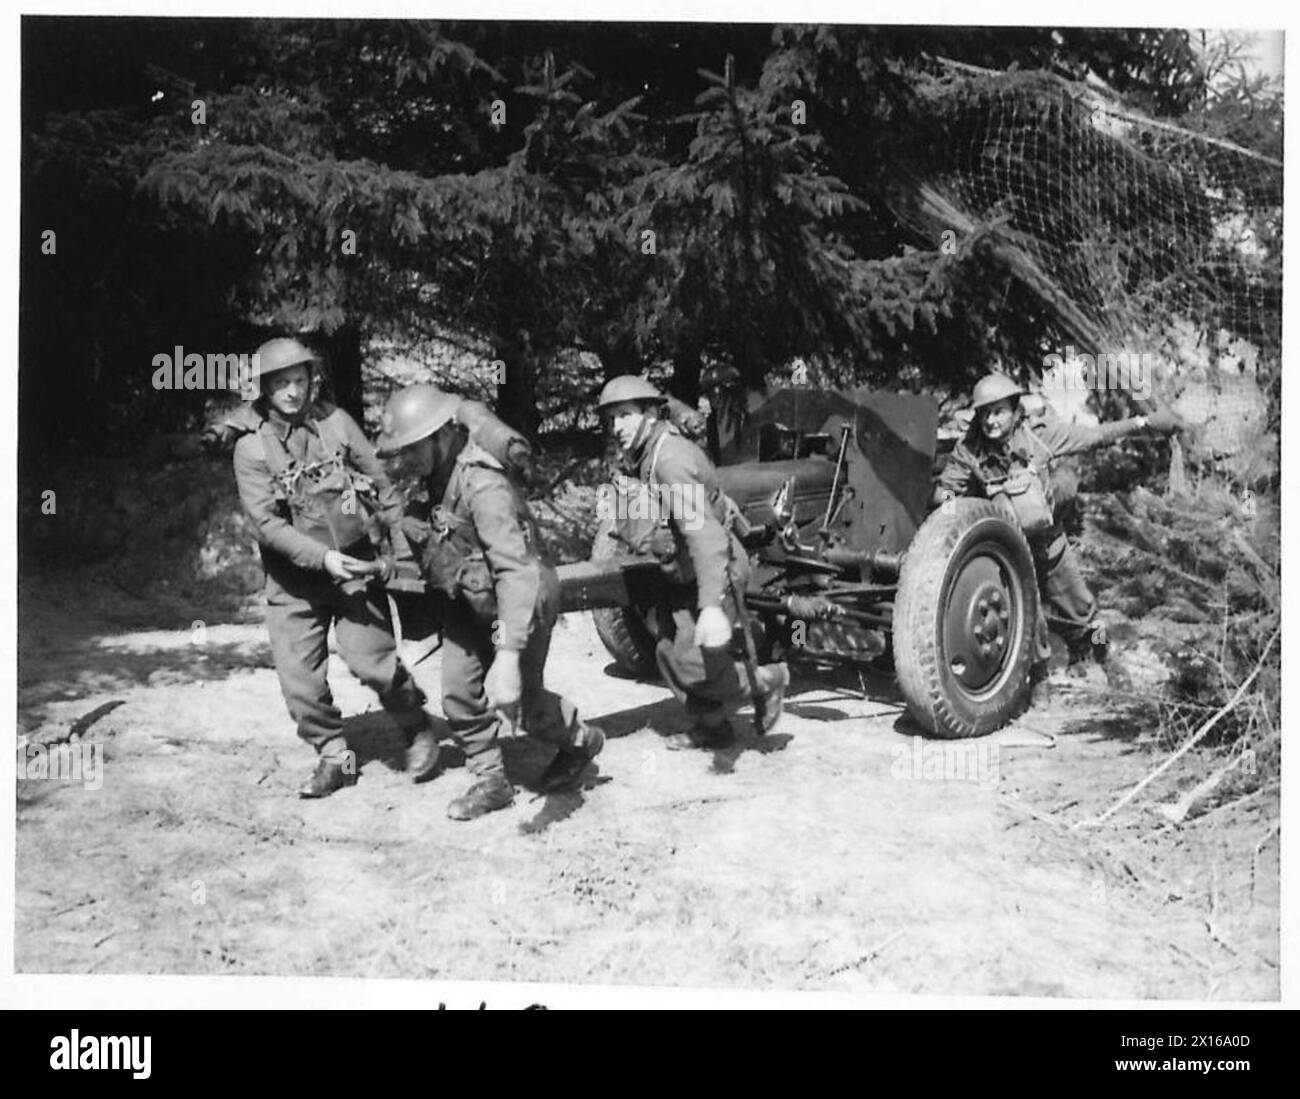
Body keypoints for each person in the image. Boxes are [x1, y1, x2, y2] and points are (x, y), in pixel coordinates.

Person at [376, 384, 604, 820]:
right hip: (472, 598)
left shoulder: (483, 485)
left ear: (443, 436)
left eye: (413, 448)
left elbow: (515, 572)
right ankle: (492, 781)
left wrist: (508, 655)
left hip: (520, 597)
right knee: (459, 694)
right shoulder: (438, 476)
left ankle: (580, 741)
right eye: (402, 450)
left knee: (521, 701)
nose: (406, 460)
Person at [232, 337, 438, 798]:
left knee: (373, 661)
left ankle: (416, 726)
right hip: (294, 582)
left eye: (299, 380)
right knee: (300, 683)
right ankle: (333, 755)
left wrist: (401, 551)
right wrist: (322, 558)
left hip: (357, 567)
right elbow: (266, 524)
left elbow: (383, 487)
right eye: (280, 383)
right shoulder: (251, 449)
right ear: (264, 389)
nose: (292, 392)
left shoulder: (337, 424)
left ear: (313, 380)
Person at [933, 372, 1181, 697]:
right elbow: (945, 491)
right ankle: (1040, 683)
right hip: (1010, 556)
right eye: (985, 414)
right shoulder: (969, 450)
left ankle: (1105, 658)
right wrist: (954, 511)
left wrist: (1143, 422)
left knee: (1084, 612)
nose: (991, 421)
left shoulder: (1040, 436)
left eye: (998, 412)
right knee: (1028, 619)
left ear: (1014, 410)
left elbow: (1094, 437)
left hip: (1051, 544)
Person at [596, 375, 789, 750]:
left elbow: (706, 536)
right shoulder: (644, 456)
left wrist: (711, 607)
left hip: (716, 568)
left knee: (691, 661)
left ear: (650, 414)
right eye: (612, 418)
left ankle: (768, 680)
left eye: (625, 415)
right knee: (669, 653)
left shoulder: (670, 460)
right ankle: (714, 727)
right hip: (683, 569)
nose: (617, 427)